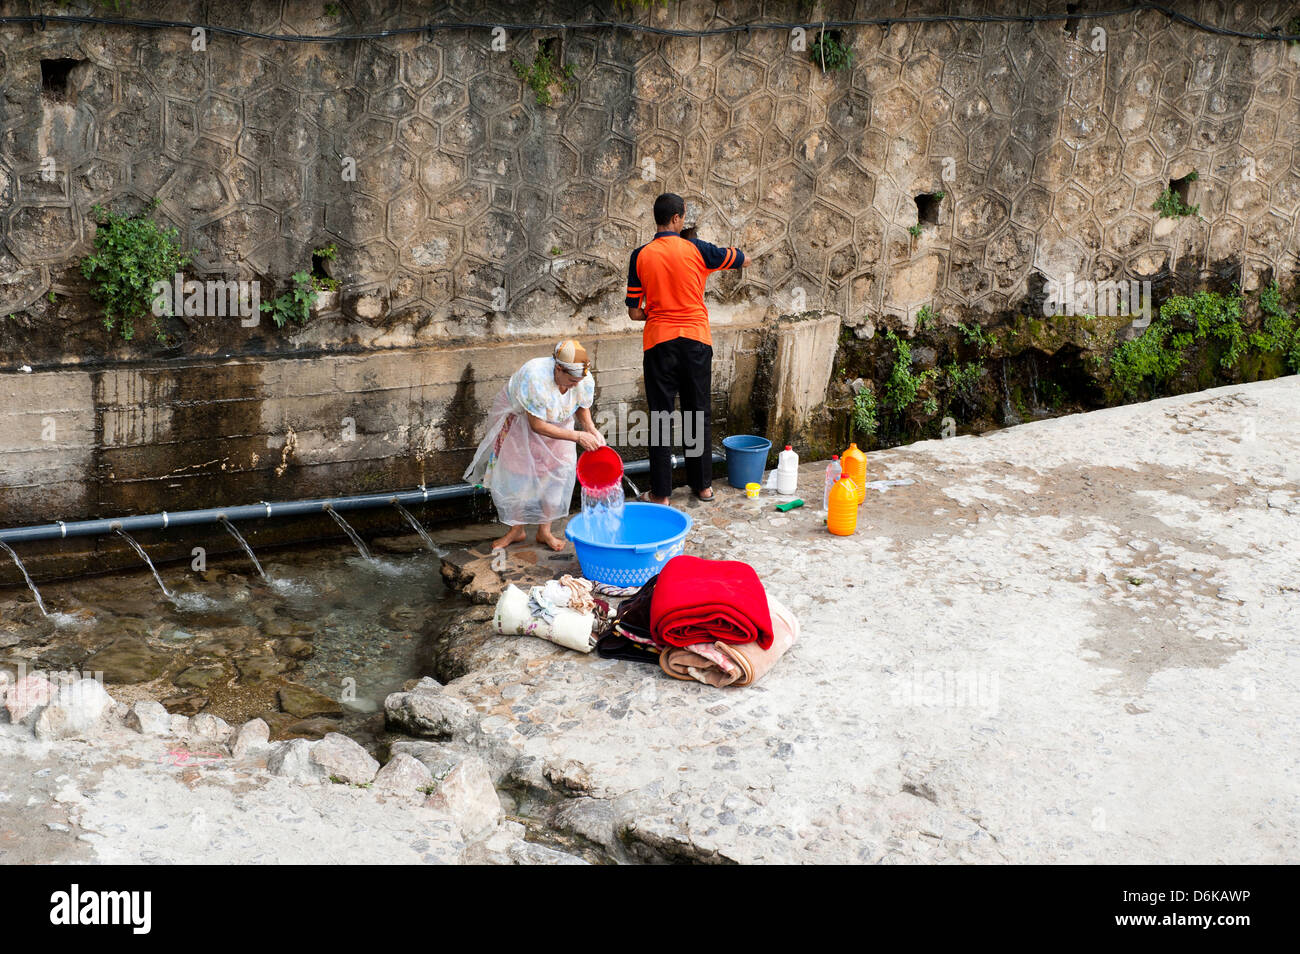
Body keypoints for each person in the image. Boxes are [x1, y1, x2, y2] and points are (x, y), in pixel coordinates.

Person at [625, 193, 753, 503]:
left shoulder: (640, 255)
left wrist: (654, 311)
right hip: (696, 341)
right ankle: (703, 486)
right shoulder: (698, 249)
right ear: (678, 218)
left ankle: (662, 493)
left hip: (659, 343)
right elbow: (742, 258)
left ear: (658, 218)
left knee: (660, 417)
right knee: (697, 413)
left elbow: (634, 311)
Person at [464, 340, 605, 551]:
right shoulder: (535, 377)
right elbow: (537, 425)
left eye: (579, 380)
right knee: (520, 474)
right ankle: (516, 530)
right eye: (571, 380)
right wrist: (577, 436)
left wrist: (591, 429)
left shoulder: (581, 378)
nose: (576, 384)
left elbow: (580, 404)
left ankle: (544, 531)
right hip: (522, 422)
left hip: (559, 421)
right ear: (558, 368)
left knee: (558, 472)